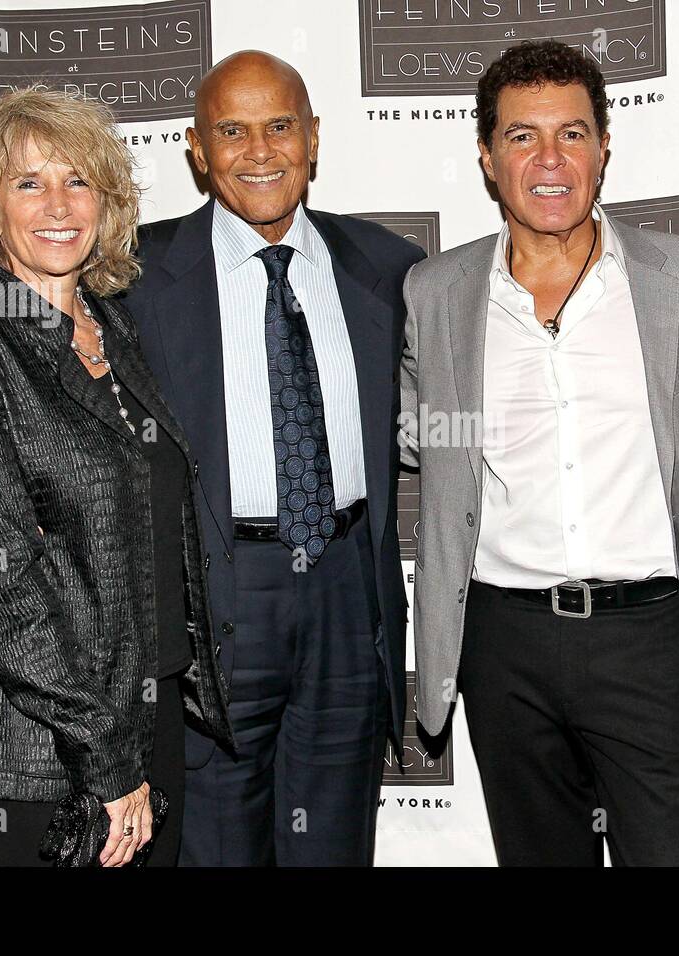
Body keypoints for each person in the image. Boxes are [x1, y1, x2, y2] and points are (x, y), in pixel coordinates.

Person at [399, 40, 679, 866]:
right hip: (502, 642)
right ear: (486, 154)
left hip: (654, 639)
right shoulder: (434, 293)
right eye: (521, 137)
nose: (549, 160)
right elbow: (403, 429)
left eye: (572, 134)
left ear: (605, 146)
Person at [0, 88, 234, 867]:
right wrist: (108, 759)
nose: (58, 203)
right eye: (28, 183)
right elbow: (6, 587)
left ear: (107, 202)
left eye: (78, 180)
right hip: (36, 745)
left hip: (148, 715)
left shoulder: (113, 329)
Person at [123, 51, 424, 866]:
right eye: (232, 130)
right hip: (216, 601)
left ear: (314, 136)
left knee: (332, 842)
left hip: (346, 590)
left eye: (279, 125)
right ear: (196, 149)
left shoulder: (389, 271)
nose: (259, 150)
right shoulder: (136, 280)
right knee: (215, 845)